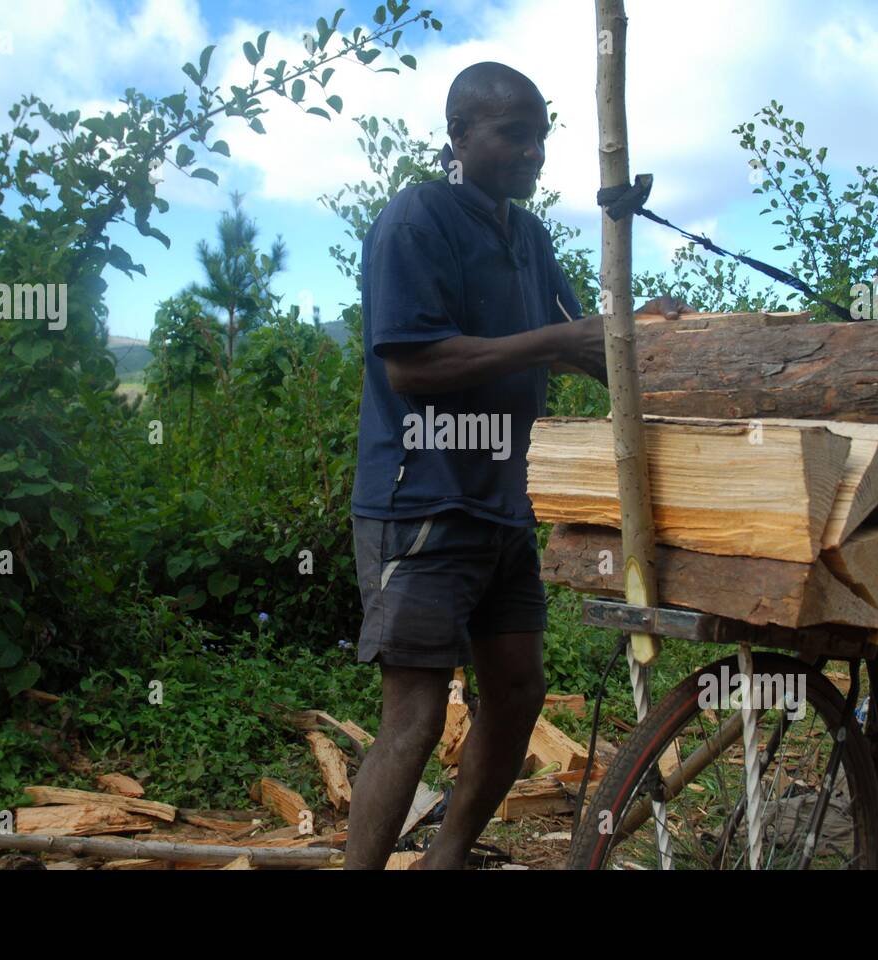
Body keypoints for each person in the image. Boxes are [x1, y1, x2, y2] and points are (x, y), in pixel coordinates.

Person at [344, 61, 689, 869]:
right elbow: (413, 367)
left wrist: (651, 332)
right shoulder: (415, 222)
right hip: (422, 499)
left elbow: (587, 342)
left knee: (517, 692)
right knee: (417, 717)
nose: (534, 152)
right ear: (459, 137)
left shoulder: (526, 236)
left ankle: (446, 857)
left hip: (505, 502)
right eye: (513, 135)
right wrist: (560, 342)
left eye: (540, 135)